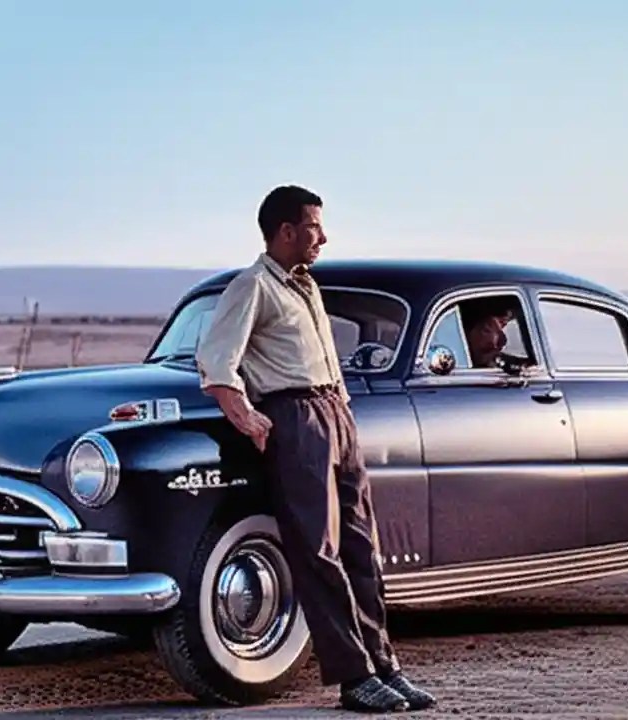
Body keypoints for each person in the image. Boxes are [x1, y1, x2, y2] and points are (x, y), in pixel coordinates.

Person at [195, 185, 436, 713]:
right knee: (318, 550)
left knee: (362, 548)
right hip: (295, 419)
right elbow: (216, 364)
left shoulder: (306, 286)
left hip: (336, 415)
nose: (322, 237)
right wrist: (250, 418)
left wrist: (343, 412)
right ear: (285, 231)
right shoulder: (252, 286)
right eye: (313, 227)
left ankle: (385, 665)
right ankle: (354, 679)